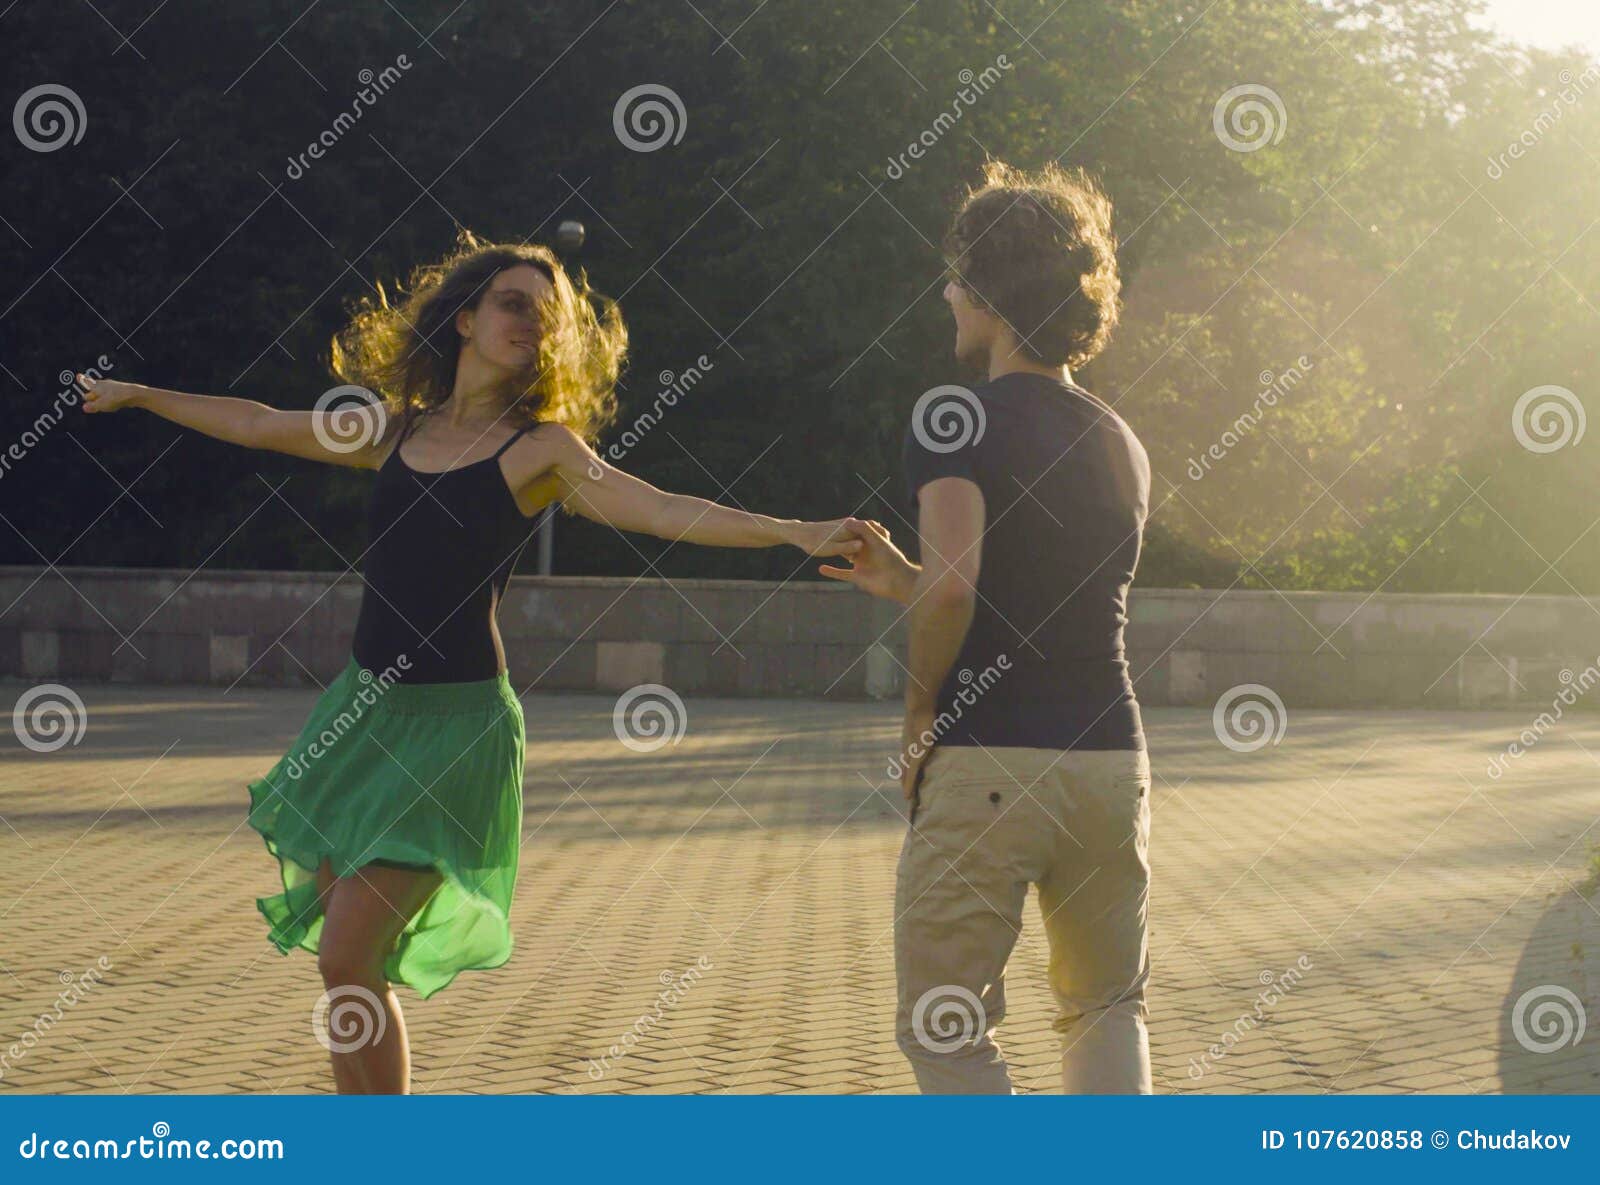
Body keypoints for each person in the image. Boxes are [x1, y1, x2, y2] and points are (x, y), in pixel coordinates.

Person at [77, 230, 862, 1094]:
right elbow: (261, 424)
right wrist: (143, 395)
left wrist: (792, 530)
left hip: (455, 734)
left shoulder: (541, 450)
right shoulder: (393, 430)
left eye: (547, 312)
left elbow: (662, 508)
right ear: (463, 319)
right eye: (513, 302)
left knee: (346, 950)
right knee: (348, 971)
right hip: (363, 717)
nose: (532, 321)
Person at [820, 161, 1153, 1094]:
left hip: (990, 760)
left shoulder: (953, 414)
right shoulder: (1120, 437)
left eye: (959, 275)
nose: (948, 293)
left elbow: (961, 588)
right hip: (1110, 758)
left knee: (945, 1024)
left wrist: (920, 716)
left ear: (992, 295)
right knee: (1106, 1006)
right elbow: (1027, 594)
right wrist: (909, 585)